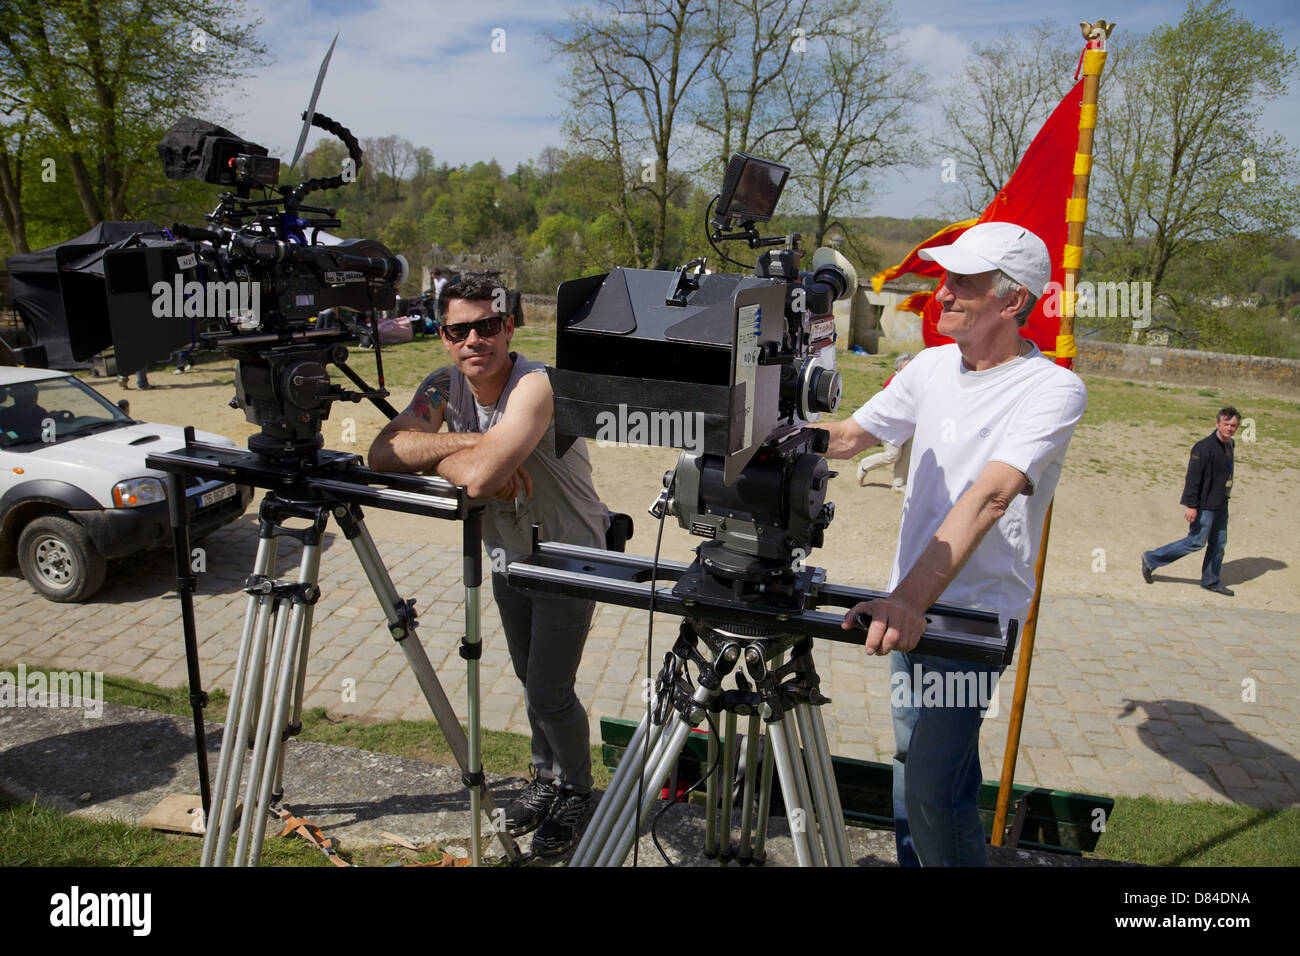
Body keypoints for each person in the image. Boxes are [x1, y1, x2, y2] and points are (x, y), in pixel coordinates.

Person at [815, 221, 1087, 866]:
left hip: (972, 619)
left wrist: (908, 600)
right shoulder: (933, 366)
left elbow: (992, 495)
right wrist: (760, 431)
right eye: (946, 280)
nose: (943, 294)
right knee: (917, 765)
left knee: (934, 783)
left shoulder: (1052, 390)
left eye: (963, 282)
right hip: (908, 608)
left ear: (1013, 299)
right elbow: (852, 437)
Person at [368, 272, 609, 857]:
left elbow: (477, 479)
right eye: (460, 329)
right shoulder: (439, 386)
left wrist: (456, 456)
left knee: (550, 689)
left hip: (567, 556)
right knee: (529, 680)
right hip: (507, 552)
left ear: (509, 328)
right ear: (445, 337)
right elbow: (382, 452)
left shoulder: (536, 386)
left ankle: (579, 790)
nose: (475, 339)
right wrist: (467, 446)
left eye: (488, 325)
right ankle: (545, 777)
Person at [1141, 407, 1240, 596]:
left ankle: (1211, 580)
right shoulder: (1203, 448)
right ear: (1217, 423)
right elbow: (1193, 479)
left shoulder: (1230, 444)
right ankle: (1152, 558)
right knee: (1196, 541)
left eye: (1233, 425)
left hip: (1221, 504)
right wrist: (1192, 505)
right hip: (1204, 506)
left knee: (1219, 544)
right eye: (1226, 424)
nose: (1229, 428)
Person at [855, 352, 914, 492]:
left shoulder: (915, 383)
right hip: (891, 425)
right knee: (893, 455)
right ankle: (865, 465)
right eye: (908, 366)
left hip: (910, 424)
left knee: (906, 455)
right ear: (899, 368)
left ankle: (898, 484)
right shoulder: (893, 382)